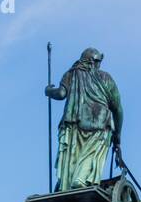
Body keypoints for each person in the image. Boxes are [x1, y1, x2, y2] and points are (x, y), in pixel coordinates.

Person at [45, 48, 123, 191]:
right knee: (92, 153)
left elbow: (61, 94)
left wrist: (48, 91)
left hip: (72, 123)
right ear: (96, 62)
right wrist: (117, 136)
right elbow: (117, 109)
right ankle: (80, 179)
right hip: (99, 124)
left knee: (71, 153)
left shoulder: (71, 73)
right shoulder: (105, 78)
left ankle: (66, 182)